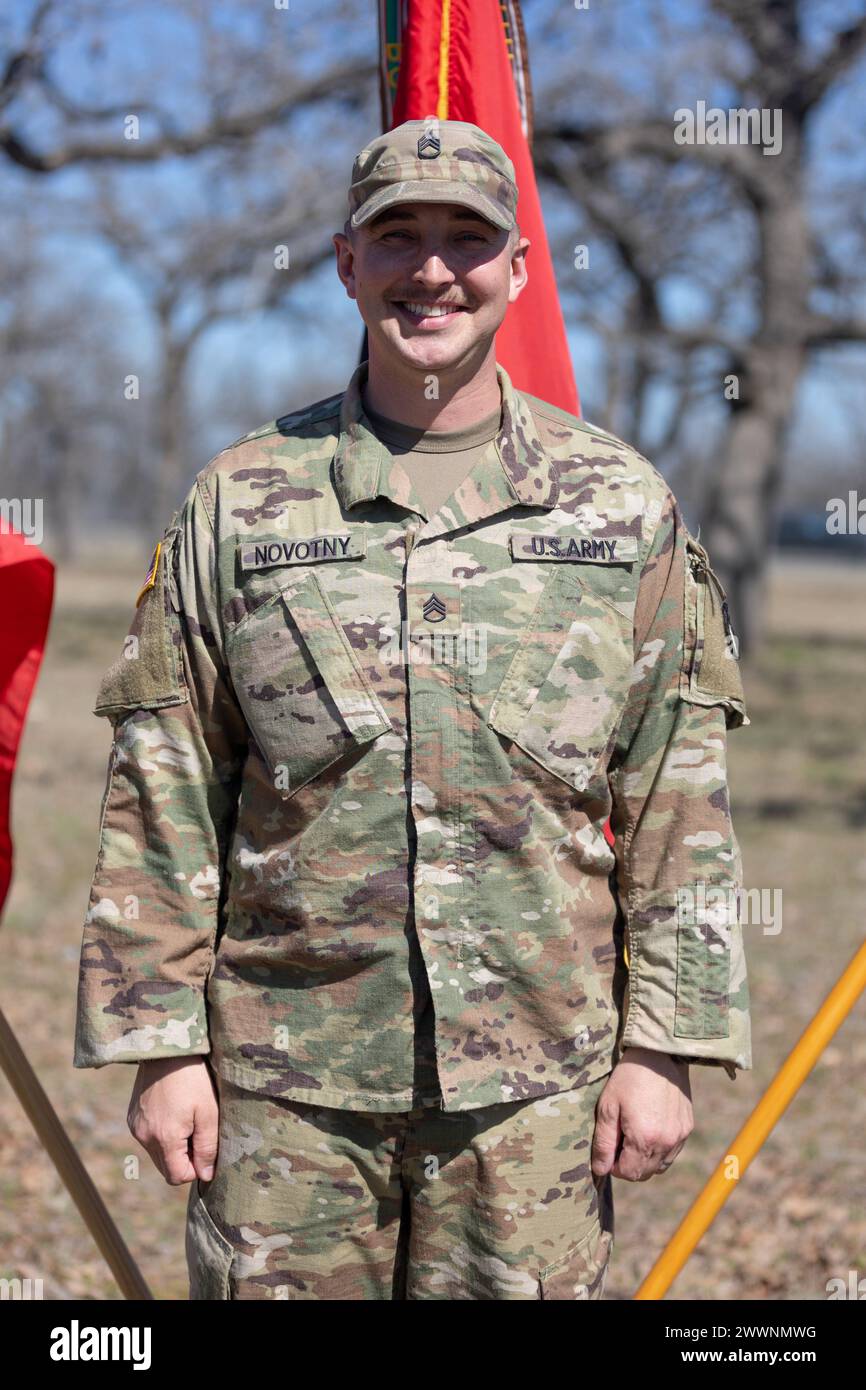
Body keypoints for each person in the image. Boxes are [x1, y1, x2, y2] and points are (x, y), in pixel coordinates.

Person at [73, 117, 751, 1301]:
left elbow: (672, 794)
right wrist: (160, 1040)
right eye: (398, 236)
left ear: (518, 270)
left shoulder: (617, 506)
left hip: (535, 1095)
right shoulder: (240, 502)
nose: (431, 269)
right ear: (346, 262)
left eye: (465, 240)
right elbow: (166, 781)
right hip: (282, 1093)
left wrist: (662, 1043)